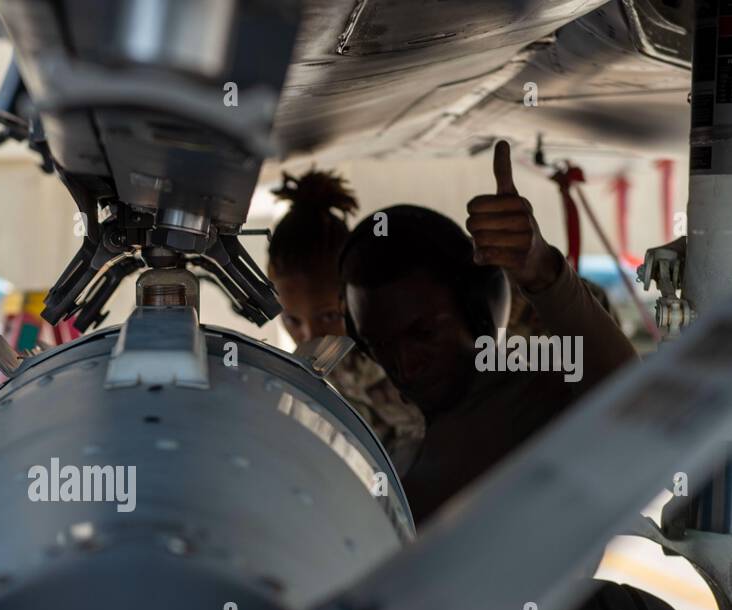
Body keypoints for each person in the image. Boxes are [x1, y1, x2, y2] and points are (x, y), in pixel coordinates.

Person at [338, 141, 638, 524]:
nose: (405, 366)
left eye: (424, 333)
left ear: (475, 308)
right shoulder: (398, 442)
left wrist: (544, 274)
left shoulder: (536, 401)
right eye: (379, 346)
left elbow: (627, 396)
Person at [267, 169, 425, 467]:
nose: (310, 337)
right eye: (292, 321)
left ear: (354, 294)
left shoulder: (415, 338)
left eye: (328, 316)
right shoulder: (322, 372)